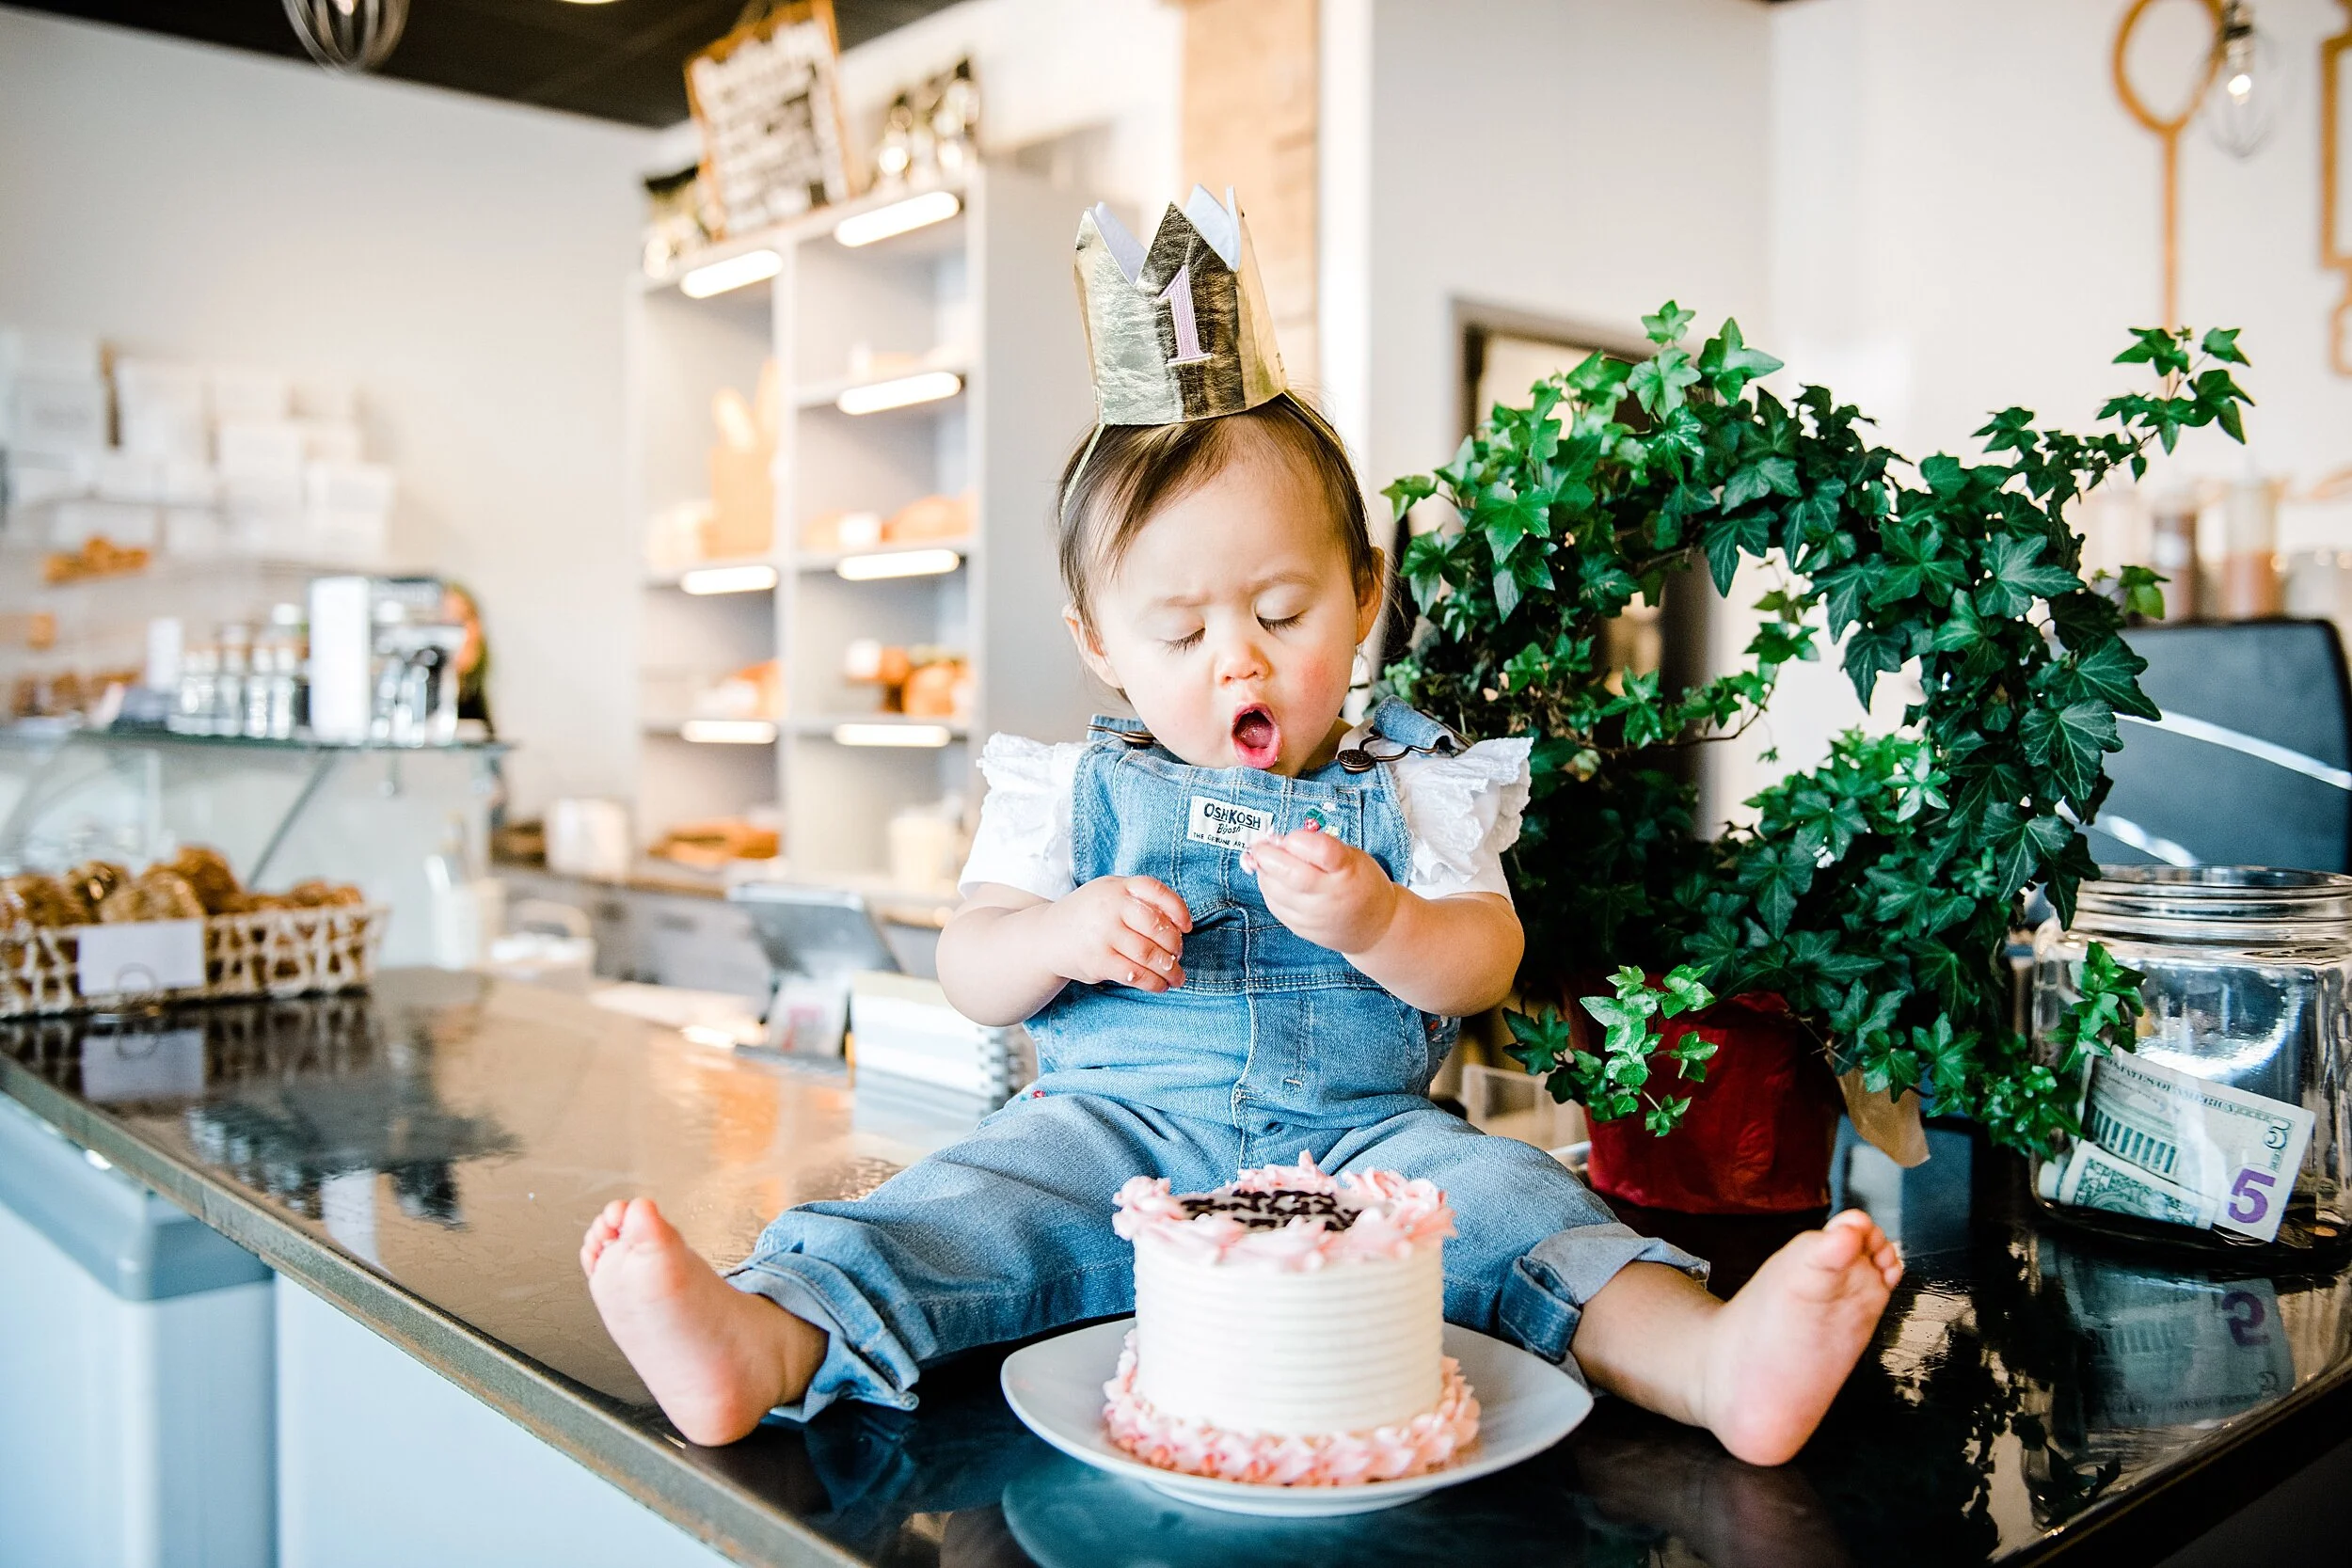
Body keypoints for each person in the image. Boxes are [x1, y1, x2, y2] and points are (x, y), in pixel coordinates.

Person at [581, 190, 1901, 1467]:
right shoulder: (1067, 792)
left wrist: (1384, 919)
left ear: (1367, 592)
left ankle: (1712, 1359)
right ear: (1101, 644)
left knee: (1523, 1211)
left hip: (1369, 1138)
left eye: (1281, 611)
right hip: (1106, 1133)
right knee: (960, 1208)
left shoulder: (1420, 786)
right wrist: (1058, 929)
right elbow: (969, 970)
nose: (1239, 664)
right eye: (1180, 629)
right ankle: (764, 1338)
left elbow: (1487, 959)